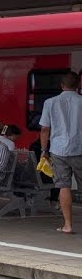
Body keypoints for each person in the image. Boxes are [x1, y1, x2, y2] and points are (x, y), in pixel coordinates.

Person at [39, 71, 82, 233]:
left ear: (62, 85)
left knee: (64, 186)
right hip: (80, 148)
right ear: (78, 85)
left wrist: (44, 150)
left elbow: (45, 129)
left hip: (58, 150)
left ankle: (68, 225)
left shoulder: (50, 102)